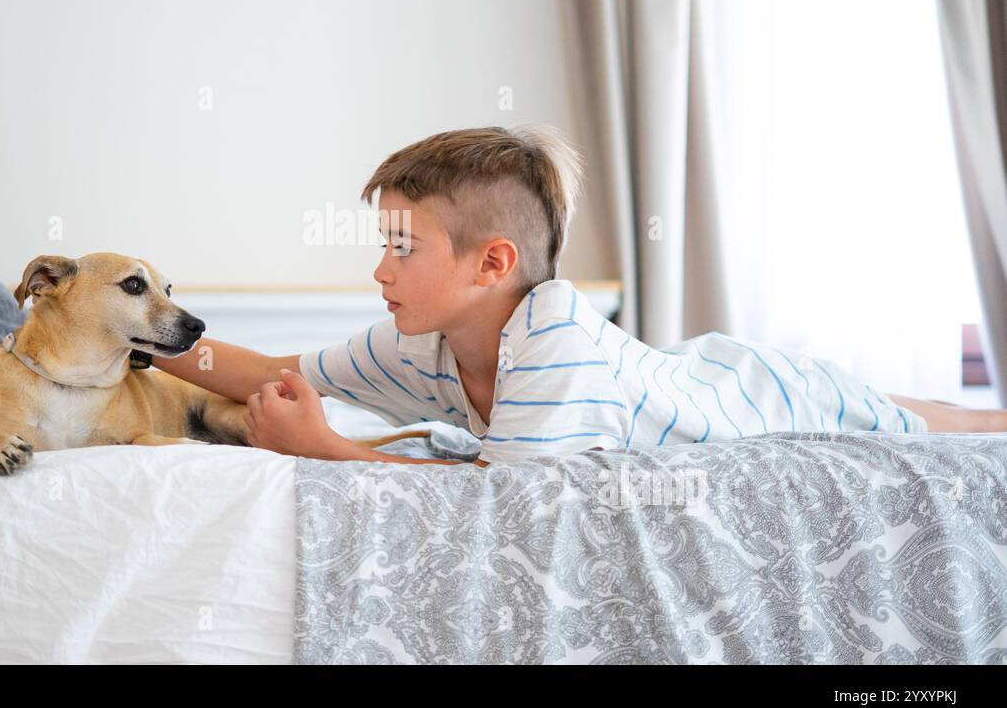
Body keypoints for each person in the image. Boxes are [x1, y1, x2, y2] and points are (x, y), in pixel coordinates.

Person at [156, 125, 1007, 466]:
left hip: (756, 395)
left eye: (401, 249)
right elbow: (263, 367)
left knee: (949, 424)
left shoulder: (554, 331)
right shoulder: (413, 337)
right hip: (694, 368)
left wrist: (324, 447)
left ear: (491, 264)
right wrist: (139, 333)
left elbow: (499, 496)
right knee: (940, 415)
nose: (379, 270)